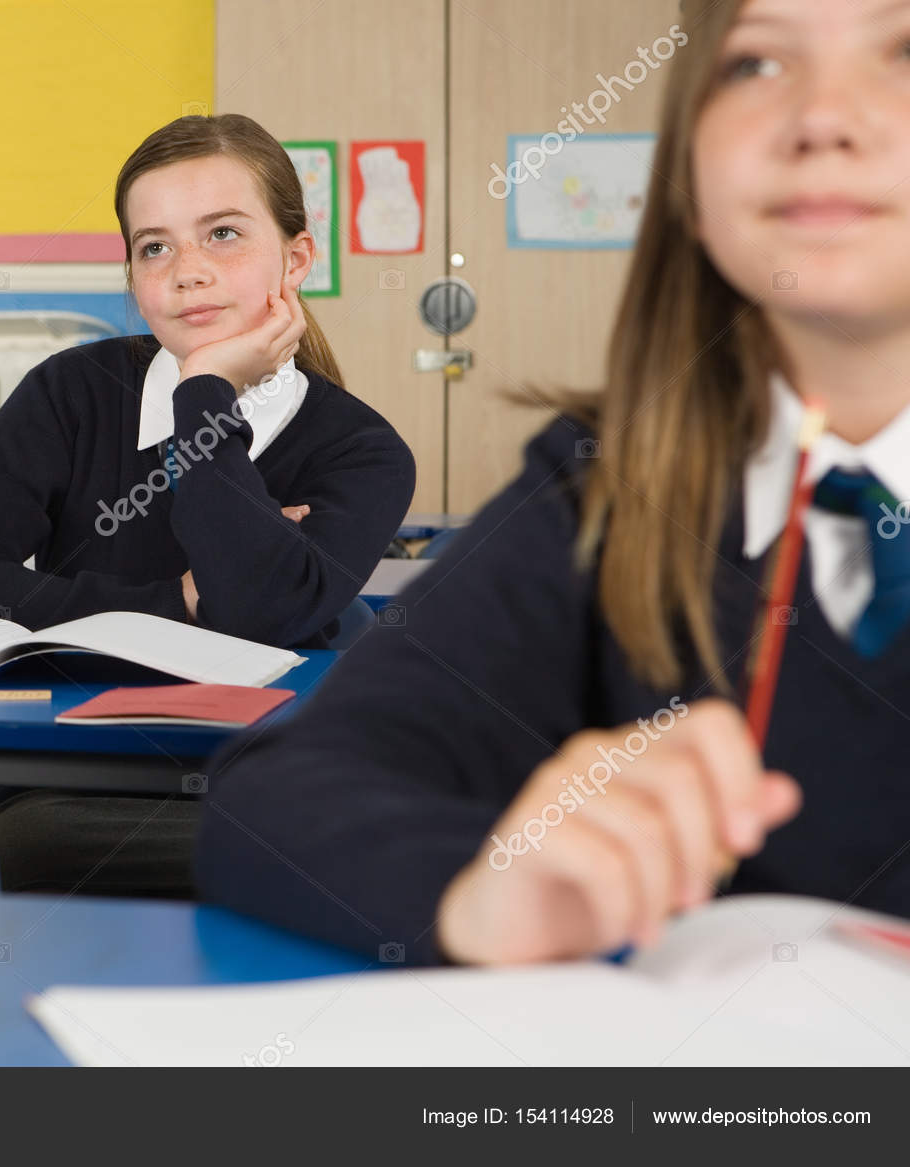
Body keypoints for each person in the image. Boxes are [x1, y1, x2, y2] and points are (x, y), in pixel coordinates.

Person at [196, 0, 910, 964]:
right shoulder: (608, 486)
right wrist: (484, 884)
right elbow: (267, 805)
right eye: (756, 64)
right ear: (690, 180)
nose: (825, 116)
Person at [0, 113, 415, 650]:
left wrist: (205, 386)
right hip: (66, 726)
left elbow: (259, 612)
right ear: (133, 275)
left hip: (265, 732)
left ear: (296, 259)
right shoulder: (72, 390)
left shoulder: (365, 453)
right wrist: (173, 602)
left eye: (223, 233)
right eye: (154, 248)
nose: (188, 271)